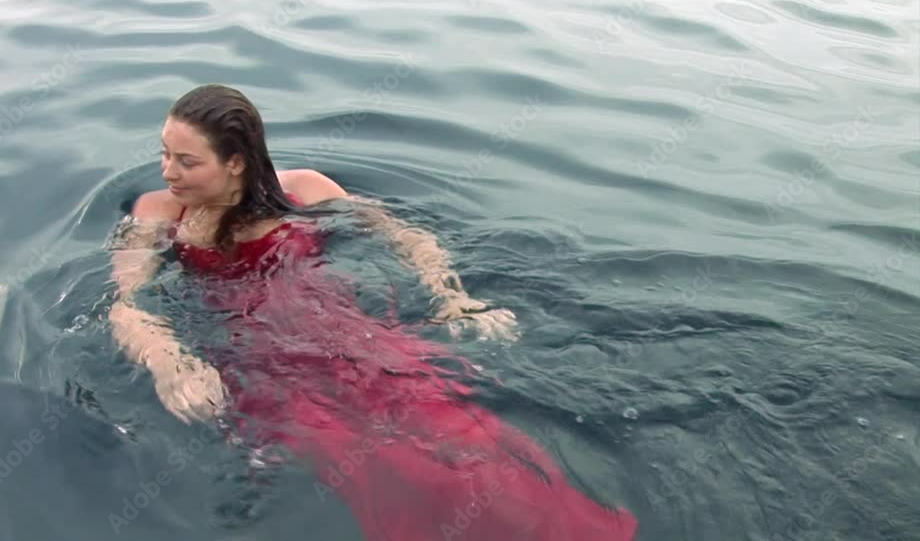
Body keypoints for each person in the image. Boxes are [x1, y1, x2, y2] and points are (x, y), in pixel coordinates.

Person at [108, 84, 637, 540]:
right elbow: (126, 304)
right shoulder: (159, 214)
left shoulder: (307, 190)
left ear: (237, 162)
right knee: (387, 466)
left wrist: (451, 294)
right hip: (264, 366)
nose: (167, 171)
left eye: (186, 161)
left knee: (469, 441)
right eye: (165, 154)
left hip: (357, 341)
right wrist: (168, 360)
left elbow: (404, 234)